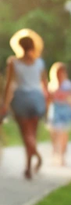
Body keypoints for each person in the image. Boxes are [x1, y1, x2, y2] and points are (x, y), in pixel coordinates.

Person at [1, 29, 48, 179]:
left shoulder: (13, 62)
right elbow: (45, 86)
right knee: (32, 133)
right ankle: (28, 166)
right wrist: (47, 103)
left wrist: (4, 104)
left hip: (21, 99)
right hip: (37, 98)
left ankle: (37, 157)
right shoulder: (40, 62)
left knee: (26, 134)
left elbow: (9, 85)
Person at [46, 62, 71, 166]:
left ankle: (61, 156)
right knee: (55, 135)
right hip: (54, 113)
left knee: (64, 135)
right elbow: (48, 101)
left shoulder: (68, 85)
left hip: (65, 113)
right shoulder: (51, 85)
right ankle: (55, 152)